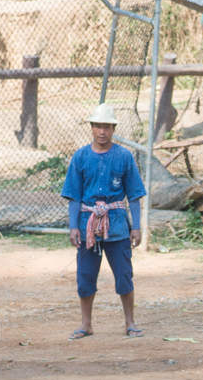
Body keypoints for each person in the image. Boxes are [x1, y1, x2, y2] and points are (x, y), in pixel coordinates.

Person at [61, 103, 146, 340]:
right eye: (98, 126)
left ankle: (130, 322)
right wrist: (74, 226)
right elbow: (74, 196)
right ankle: (86, 325)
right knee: (85, 276)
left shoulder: (124, 157)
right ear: (91, 127)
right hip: (88, 225)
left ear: (113, 128)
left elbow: (135, 195)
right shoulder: (80, 157)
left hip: (117, 226)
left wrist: (136, 226)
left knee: (124, 275)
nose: (102, 132)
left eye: (107, 127)